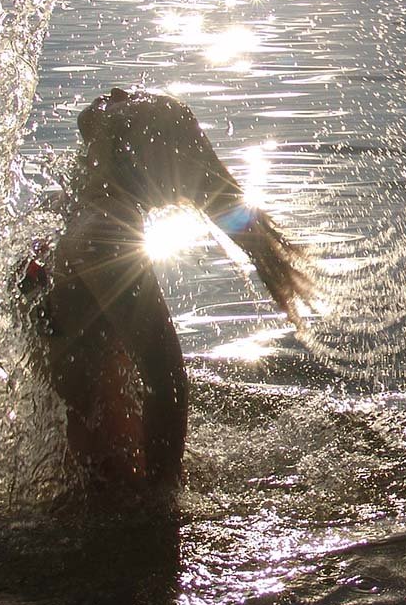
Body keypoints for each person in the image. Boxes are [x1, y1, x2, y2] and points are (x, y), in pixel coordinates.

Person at [21, 88, 310, 490]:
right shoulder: (78, 220)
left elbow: (167, 382)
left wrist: (159, 507)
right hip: (91, 469)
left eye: (130, 103)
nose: (118, 93)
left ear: (136, 157)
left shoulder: (95, 234)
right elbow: (161, 379)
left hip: (103, 480)